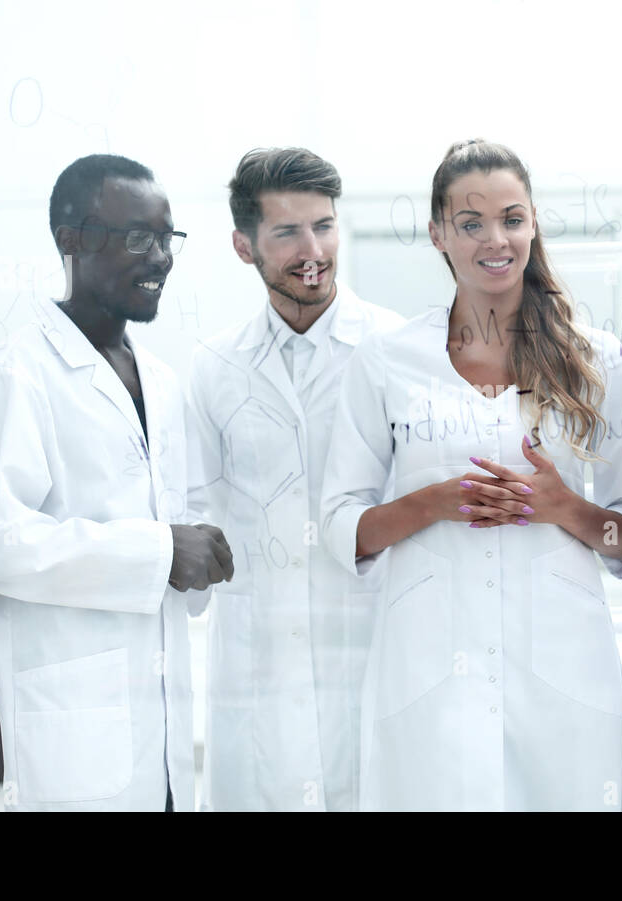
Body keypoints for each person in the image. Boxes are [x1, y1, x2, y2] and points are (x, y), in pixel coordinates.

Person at [320, 139, 622, 811]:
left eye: (512, 218)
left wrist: (565, 508)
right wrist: (435, 501)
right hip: (429, 675)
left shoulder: (597, 360)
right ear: (438, 232)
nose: (494, 239)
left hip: (563, 673)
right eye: (470, 224)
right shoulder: (387, 361)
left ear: (533, 223)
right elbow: (339, 526)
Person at [0, 154, 233, 811]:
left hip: (161, 737)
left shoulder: (161, 382)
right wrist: (159, 552)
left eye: (168, 238)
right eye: (139, 238)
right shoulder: (14, 375)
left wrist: (200, 551)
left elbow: (175, 523)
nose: (160, 257)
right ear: (70, 240)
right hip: (70, 745)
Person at [185, 147, 403, 811]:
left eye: (324, 226)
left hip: (374, 661)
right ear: (243, 246)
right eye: (287, 232)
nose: (313, 249)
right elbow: (194, 519)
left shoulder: (396, 351)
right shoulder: (215, 368)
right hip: (258, 674)